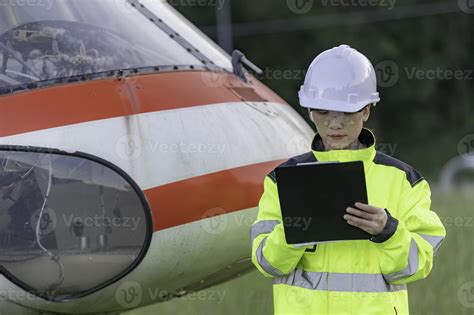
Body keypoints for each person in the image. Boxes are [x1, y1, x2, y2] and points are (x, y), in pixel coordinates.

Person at [250, 44, 446, 315]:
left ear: (366, 110)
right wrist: (296, 227)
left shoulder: (404, 181)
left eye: (346, 112)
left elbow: (417, 267)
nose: (334, 124)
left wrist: (389, 231)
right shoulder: (281, 180)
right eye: (323, 112)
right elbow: (267, 264)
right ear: (309, 110)